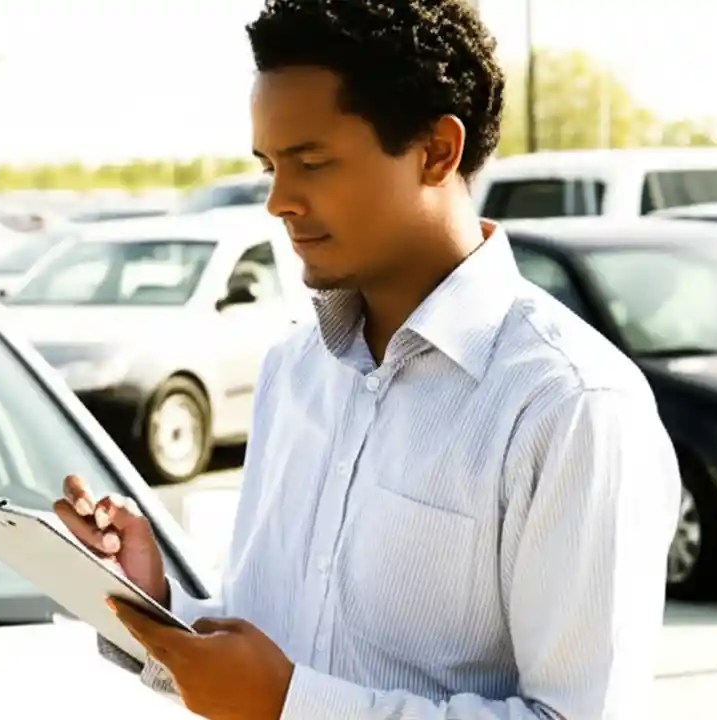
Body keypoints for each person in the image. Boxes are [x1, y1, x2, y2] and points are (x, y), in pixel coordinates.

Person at [54, 1, 681, 718]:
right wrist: (153, 605)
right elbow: (270, 655)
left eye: (312, 162)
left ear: (437, 151)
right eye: (267, 167)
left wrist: (292, 704)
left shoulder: (572, 407)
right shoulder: (294, 371)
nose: (279, 202)